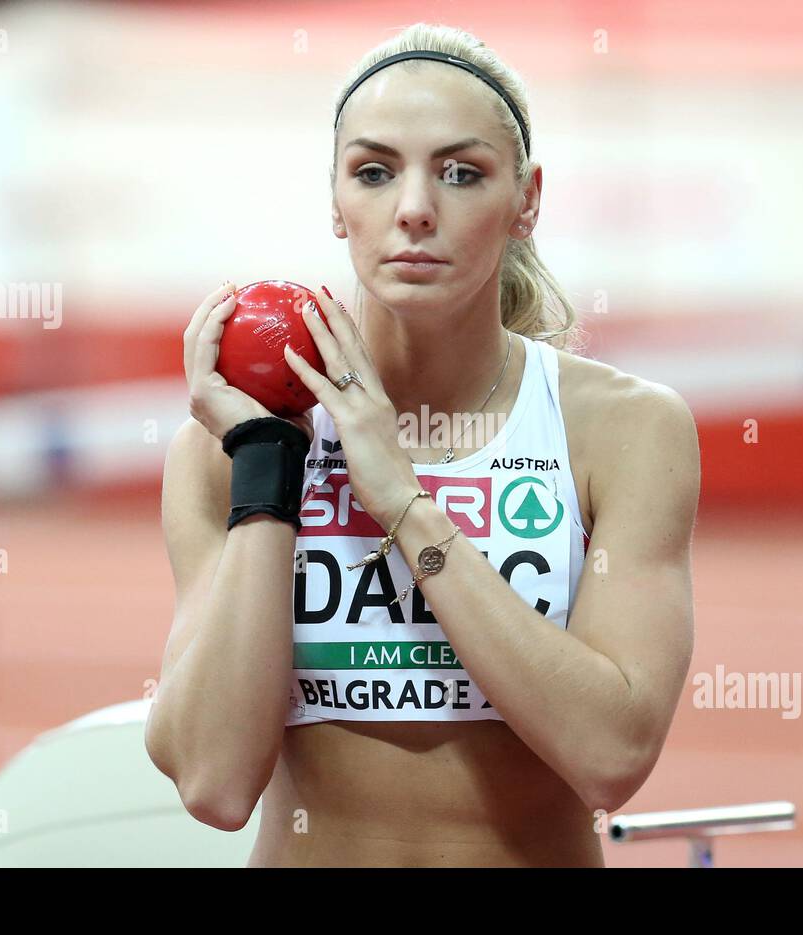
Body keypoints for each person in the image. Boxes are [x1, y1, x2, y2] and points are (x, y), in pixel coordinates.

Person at [145, 22, 700, 867]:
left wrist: (404, 503)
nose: (413, 207)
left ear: (528, 199)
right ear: (336, 201)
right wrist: (270, 472)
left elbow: (610, 756)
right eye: (374, 171)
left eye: (460, 172)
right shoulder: (232, 443)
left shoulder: (623, 430)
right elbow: (214, 784)